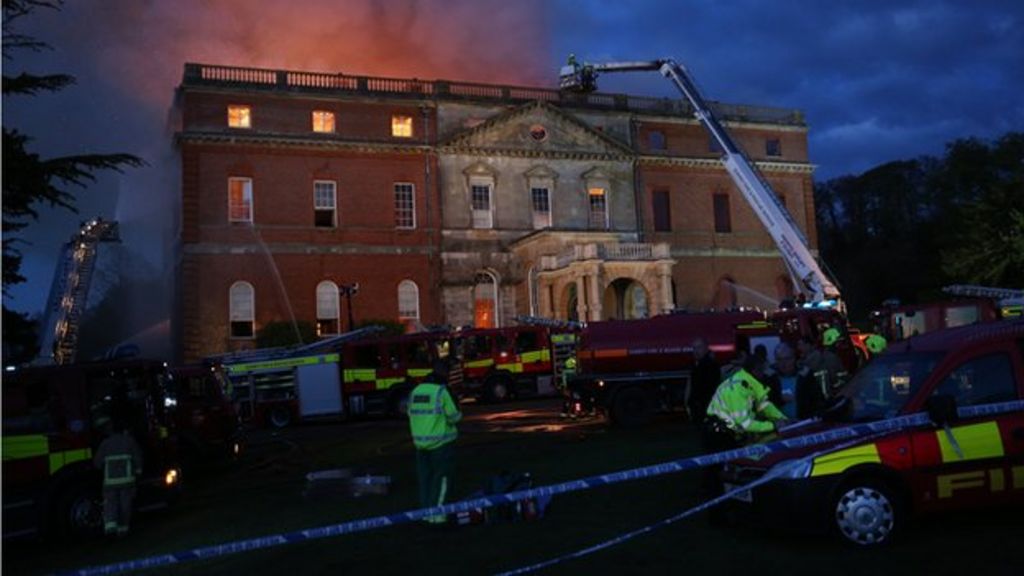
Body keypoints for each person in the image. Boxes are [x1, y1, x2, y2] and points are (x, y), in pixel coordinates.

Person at [701, 355, 787, 497]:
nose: (766, 373)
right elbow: (745, 424)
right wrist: (773, 425)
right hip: (718, 435)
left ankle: (733, 498)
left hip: (728, 432)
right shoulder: (739, 388)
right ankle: (717, 506)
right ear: (755, 370)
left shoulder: (750, 382)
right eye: (763, 370)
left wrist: (783, 419)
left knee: (736, 468)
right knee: (719, 474)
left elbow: (764, 405)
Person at [408, 358, 462, 524]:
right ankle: (438, 516)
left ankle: (426, 514)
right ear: (445, 373)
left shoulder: (416, 391)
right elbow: (455, 417)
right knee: (442, 480)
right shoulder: (442, 392)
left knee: (426, 480)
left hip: (420, 446)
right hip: (441, 445)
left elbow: (411, 414)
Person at [93, 417, 143, 536]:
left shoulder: (105, 443)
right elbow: (138, 459)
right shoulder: (129, 441)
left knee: (110, 504)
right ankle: (123, 530)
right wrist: (138, 473)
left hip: (110, 482)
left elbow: (97, 463)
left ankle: (110, 529)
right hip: (127, 481)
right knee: (125, 504)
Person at [763, 343, 822, 419]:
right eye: (779, 359)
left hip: (803, 423)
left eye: (787, 359)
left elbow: (817, 400)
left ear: (794, 358)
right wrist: (779, 399)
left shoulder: (805, 374)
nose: (784, 364)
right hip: (778, 425)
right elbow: (762, 402)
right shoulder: (769, 376)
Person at [686, 337, 720, 423]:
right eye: (694, 348)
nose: (696, 351)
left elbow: (710, 386)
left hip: (705, 405)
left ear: (706, 348)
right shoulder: (696, 364)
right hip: (699, 405)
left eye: (699, 347)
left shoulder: (710, 365)